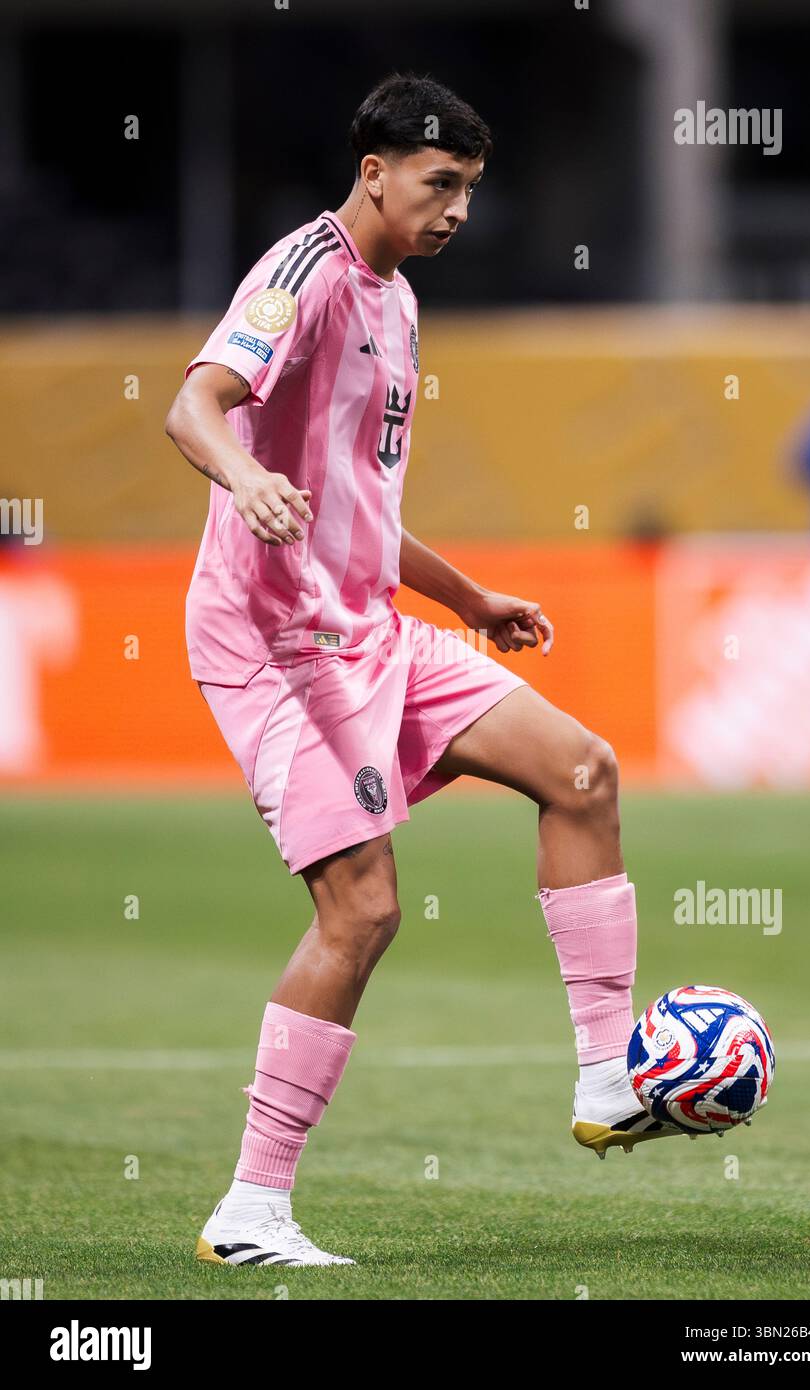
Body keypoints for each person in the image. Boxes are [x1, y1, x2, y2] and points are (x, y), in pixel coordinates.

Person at [165, 71, 684, 1271]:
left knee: (582, 771)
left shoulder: (396, 304)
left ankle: (608, 1078)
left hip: (369, 624)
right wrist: (240, 477)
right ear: (375, 173)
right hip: (276, 639)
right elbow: (194, 406)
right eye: (438, 184)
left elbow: (352, 496)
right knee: (364, 910)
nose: (454, 209)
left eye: (468, 190)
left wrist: (465, 597)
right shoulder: (297, 275)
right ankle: (252, 1210)